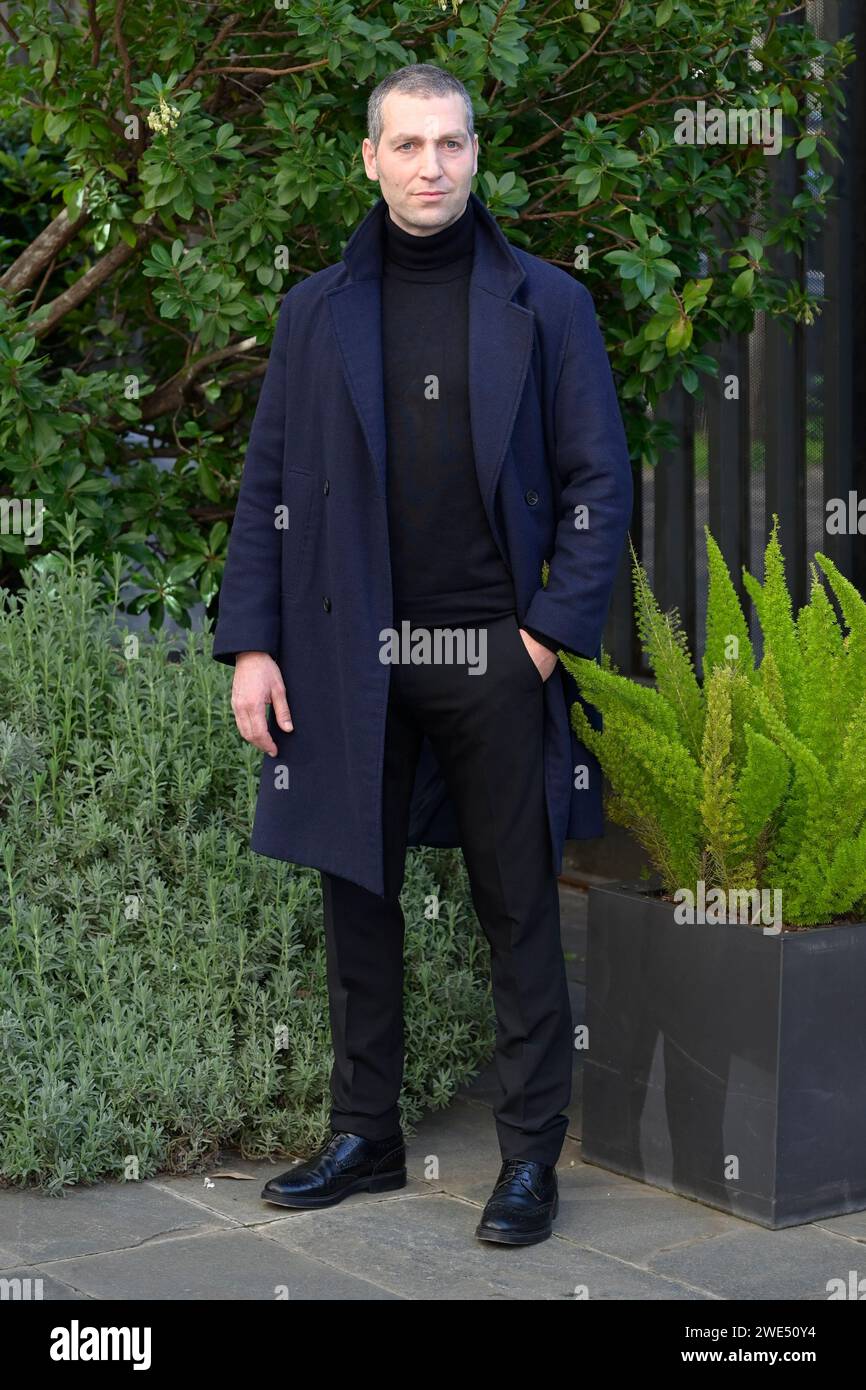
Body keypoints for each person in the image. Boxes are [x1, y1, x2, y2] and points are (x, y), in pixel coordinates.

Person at [212, 63, 633, 1246]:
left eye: (449, 144)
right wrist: (252, 643)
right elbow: (268, 489)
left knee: (518, 908)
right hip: (350, 653)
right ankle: (366, 1133)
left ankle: (527, 1159)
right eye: (406, 145)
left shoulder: (544, 304)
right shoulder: (314, 310)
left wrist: (546, 638)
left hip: (495, 653)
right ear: (368, 158)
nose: (430, 166)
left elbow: (601, 478)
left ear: (475, 156)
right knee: (358, 896)